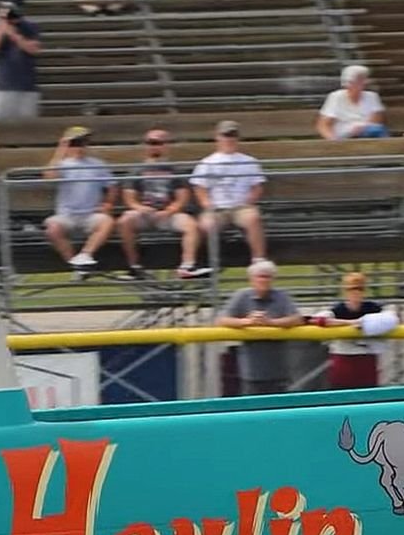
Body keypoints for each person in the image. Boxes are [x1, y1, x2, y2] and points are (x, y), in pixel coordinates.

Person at [117, 127, 210, 280]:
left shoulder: (174, 170)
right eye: (150, 142)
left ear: (166, 145)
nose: (154, 146)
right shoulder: (137, 170)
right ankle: (134, 266)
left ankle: (188, 266)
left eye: (158, 142)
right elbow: (129, 198)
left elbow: (182, 197)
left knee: (190, 225)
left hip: (168, 214)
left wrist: (169, 211)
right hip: (145, 213)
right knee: (124, 221)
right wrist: (141, 208)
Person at [216, 260, 303, 395]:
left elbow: (297, 319)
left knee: (280, 407)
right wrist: (247, 322)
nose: (264, 280)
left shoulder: (282, 296)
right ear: (251, 279)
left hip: (279, 369)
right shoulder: (242, 296)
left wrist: (271, 322)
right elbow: (222, 320)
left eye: (267, 277)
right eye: (260, 276)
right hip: (251, 371)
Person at [191, 120, 269, 264]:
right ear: (217, 137)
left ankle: (259, 258)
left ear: (238, 138)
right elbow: (199, 188)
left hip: (241, 207)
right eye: (225, 135)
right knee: (205, 225)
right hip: (217, 208)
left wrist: (248, 202)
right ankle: (203, 263)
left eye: (232, 135)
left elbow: (257, 187)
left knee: (253, 218)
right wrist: (207, 204)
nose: (229, 139)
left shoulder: (249, 161)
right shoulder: (207, 163)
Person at [43, 126, 117, 275]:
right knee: (52, 228)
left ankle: (85, 255)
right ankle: (76, 266)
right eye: (75, 143)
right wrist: (60, 150)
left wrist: (108, 204)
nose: (80, 146)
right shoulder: (62, 166)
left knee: (107, 221)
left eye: (83, 142)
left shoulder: (97, 164)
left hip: (90, 215)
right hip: (66, 215)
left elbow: (112, 186)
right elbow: (49, 176)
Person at [312, 272, 400, 389]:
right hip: (343, 358)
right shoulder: (338, 309)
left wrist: (359, 323)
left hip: (366, 359)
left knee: (368, 396)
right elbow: (319, 319)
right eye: (352, 289)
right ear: (345, 291)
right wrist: (352, 323)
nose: (356, 293)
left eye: (360, 289)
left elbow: (392, 318)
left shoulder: (372, 308)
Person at [0, 0, 43, 120]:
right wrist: (1, 27)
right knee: (1, 126)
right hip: (4, 87)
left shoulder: (30, 27)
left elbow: (33, 49)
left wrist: (13, 34)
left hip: (27, 88)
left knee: (27, 127)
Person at [317, 65, 389, 140]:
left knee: (377, 130)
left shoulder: (372, 96)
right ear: (349, 82)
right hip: (343, 138)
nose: (364, 82)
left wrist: (362, 128)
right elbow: (323, 125)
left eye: (364, 79)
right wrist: (334, 141)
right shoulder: (336, 97)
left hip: (368, 134)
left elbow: (377, 120)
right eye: (360, 80)